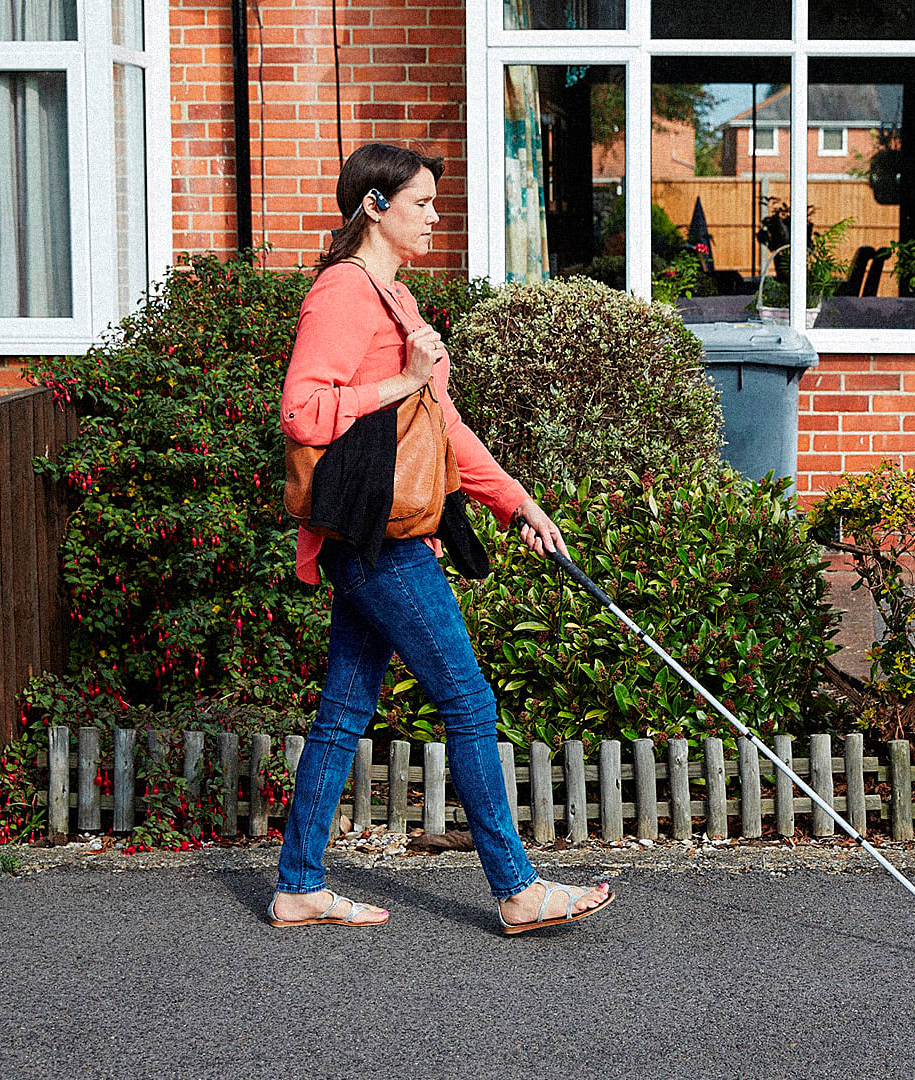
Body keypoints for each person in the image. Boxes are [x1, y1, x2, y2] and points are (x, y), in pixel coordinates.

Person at [270, 143, 613, 934]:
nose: (435, 216)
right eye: (422, 203)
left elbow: (443, 427)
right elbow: (301, 412)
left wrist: (516, 504)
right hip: (375, 540)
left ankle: (298, 887)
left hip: (386, 535)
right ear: (375, 207)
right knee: (467, 699)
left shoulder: (398, 301)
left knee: (343, 713)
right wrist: (405, 381)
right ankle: (519, 889)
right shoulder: (342, 295)